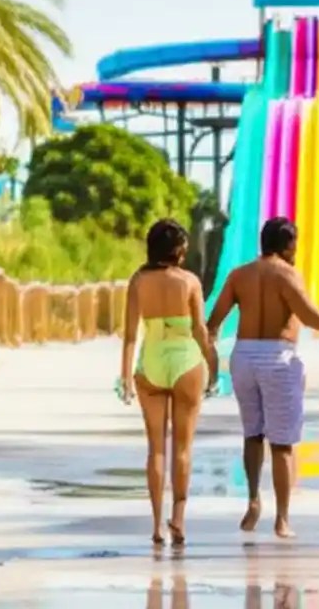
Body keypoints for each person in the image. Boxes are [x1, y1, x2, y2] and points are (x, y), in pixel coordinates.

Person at [207, 216, 319, 538]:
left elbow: (214, 321)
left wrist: (208, 356)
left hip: (243, 357)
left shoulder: (238, 275)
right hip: (277, 357)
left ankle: (254, 499)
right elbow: (311, 317)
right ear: (287, 246)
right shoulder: (286, 275)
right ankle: (282, 518)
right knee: (282, 443)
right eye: (295, 246)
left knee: (253, 434)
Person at [119, 219, 219, 546]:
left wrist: (125, 376)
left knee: (156, 450)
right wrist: (214, 366)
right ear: (178, 250)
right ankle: (178, 518)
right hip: (186, 361)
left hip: (150, 362)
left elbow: (130, 336)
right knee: (183, 448)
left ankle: (156, 525)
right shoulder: (189, 281)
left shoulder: (137, 281)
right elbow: (200, 333)